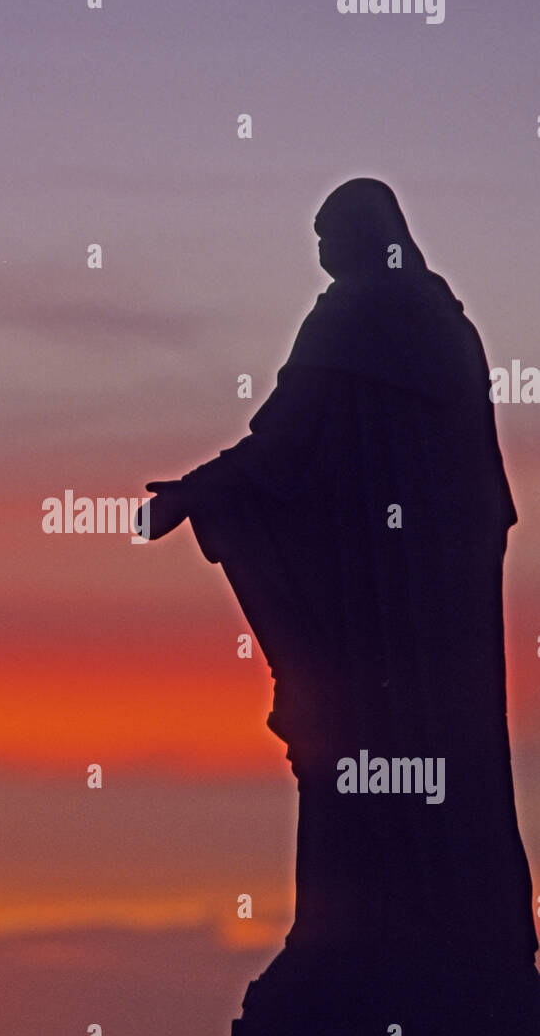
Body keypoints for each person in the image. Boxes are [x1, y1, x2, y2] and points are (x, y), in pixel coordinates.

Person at [140, 178, 537, 974]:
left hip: (381, 601)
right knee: (424, 755)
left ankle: (350, 946)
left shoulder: (352, 317)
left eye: (328, 237)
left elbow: (289, 441)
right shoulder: (446, 327)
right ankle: (452, 935)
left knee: (345, 745)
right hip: (437, 598)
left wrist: (198, 491)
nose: (322, 256)